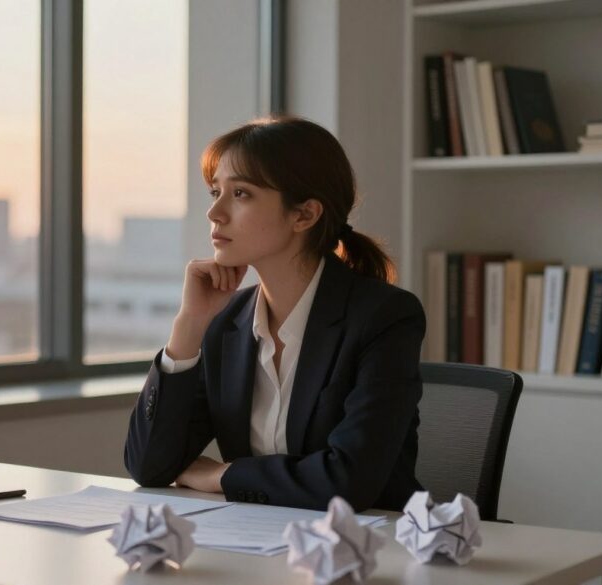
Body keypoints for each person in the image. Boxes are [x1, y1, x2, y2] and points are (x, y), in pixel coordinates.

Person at [123, 116, 426, 512]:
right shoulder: (226, 321)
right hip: (258, 543)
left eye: (241, 194)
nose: (215, 212)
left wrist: (222, 475)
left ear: (304, 214)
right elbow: (149, 466)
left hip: (365, 553)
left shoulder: (384, 317)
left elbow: (347, 482)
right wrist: (188, 327)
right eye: (216, 192)